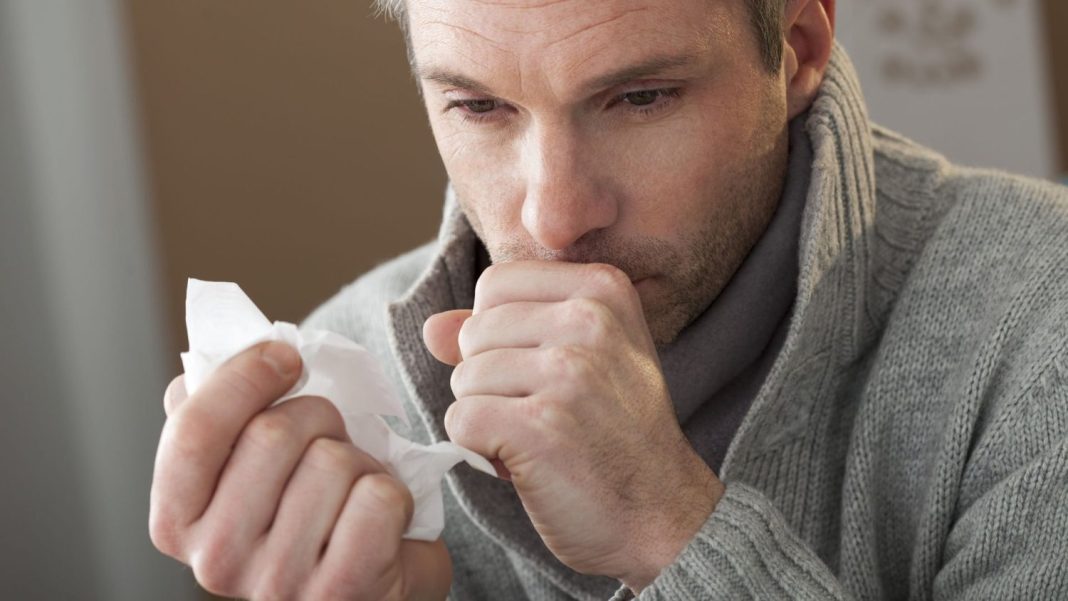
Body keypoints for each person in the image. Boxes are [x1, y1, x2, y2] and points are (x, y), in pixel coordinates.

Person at [148, 0, 1068, 599]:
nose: (554, 219)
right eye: (478, 108)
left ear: (797, 51)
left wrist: (669, 528)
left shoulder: (1040, 324)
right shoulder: (342, 385)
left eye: (641, 99)